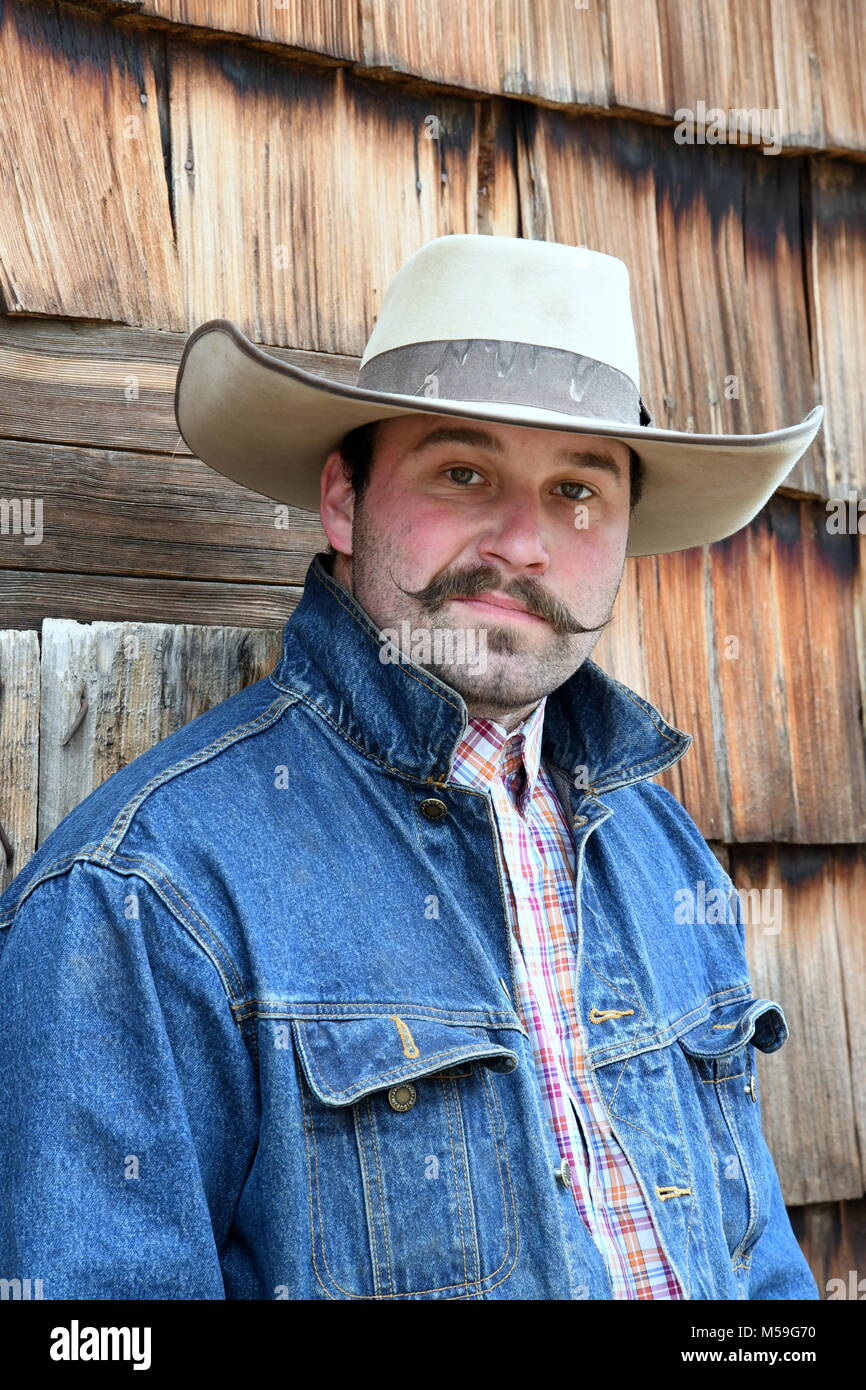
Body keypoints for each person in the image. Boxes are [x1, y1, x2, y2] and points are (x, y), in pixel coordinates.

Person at [0, 234, 823, 1299]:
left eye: (577, 490)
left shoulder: (665, 858)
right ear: (342, 498)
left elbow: (756, 1279)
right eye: (464, 470)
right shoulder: (138, 900)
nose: (524, 541)